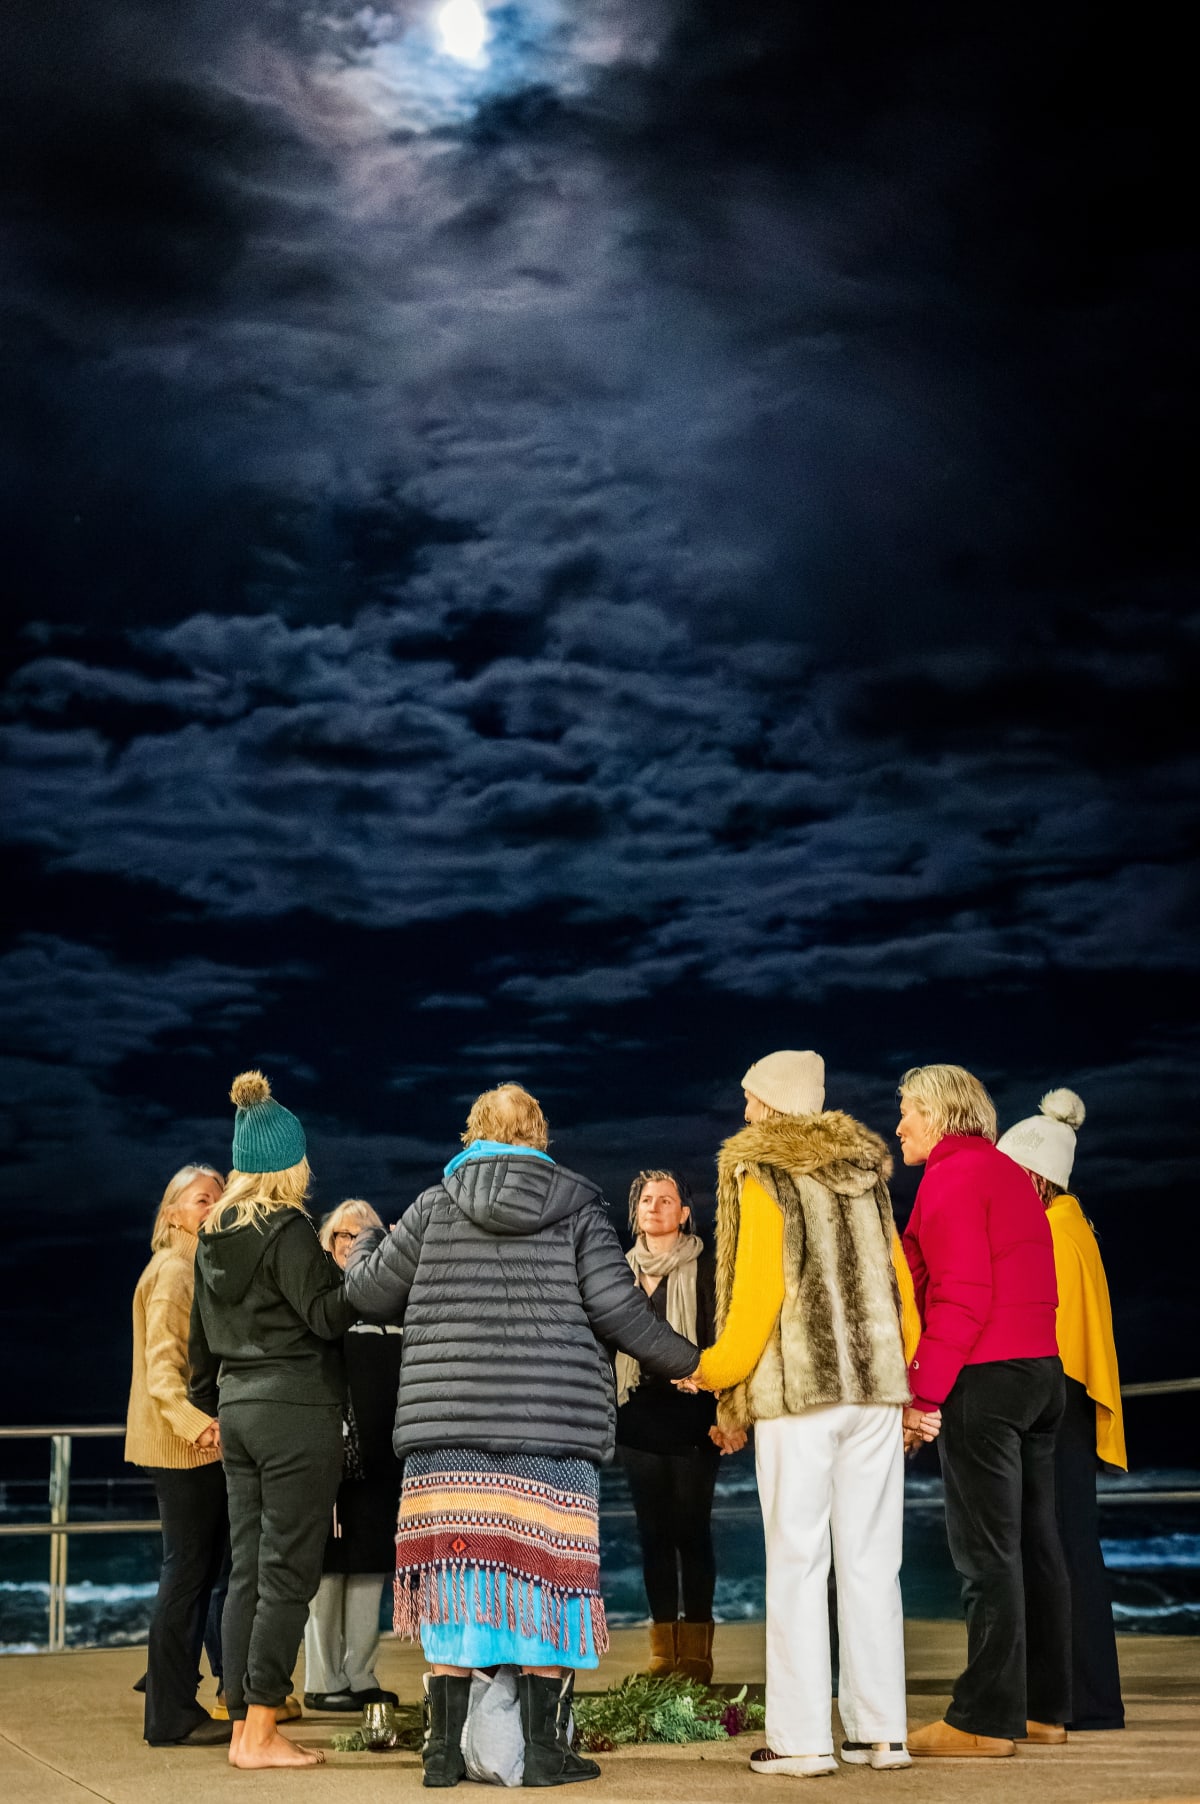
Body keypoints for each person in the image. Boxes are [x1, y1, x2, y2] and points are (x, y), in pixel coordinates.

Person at [344, 1082, 699, 1789]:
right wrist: (692, 1364)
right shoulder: (578, 1211)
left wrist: (367, 1241)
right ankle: (544, 1753)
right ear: (539, 1137)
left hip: (448, 1438)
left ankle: (442, 1754)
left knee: (453, 1585)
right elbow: (620, 1312)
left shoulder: (433, 1206)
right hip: (549, 1434)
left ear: (474, 1132)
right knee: (547, 1586)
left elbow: (369, 1292)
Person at [685, 1051, 927, 1778]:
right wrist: (906, 1377)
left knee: (797, 1559)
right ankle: (881, 1735)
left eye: (752, 1099)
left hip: (803, 1393)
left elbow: (757, 1293)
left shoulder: (764, 1174)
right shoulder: (867, 1178)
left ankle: (800, 1743)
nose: (746, 1112)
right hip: (877, 1392)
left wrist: (713, 1370)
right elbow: (900, 1289)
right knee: (872, 1562)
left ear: (773, 1104)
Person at [898, 1063, 1072, 1758]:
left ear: (940, 1115)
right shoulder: (1005, 1174)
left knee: (986, 1556)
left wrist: (923, 1395)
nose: (901, 1124)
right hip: (1040, 1373)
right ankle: (1042, 1709)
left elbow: (962, 1297)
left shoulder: (953, 1177)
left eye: (909, 1110)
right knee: (1033, 1544)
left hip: (987, 1377)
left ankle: (983, 1720)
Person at [188, 1071, 356, 1771]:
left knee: (250, 1571)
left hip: (239, 1407)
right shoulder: (286, 1228)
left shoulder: (213, 1235)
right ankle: (260, 1731)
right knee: (289, 1572)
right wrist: (359, 1278)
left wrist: (215, 1404)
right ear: (290, 1162)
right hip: (294, 1410)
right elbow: (325, 1316)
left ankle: (242, 1726)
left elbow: (200, 1344)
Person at [997, 1088, 1126, 1731]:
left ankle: (1085, 1700)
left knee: (1063, 1547)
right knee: (1065, 1544)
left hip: (1056, 1403)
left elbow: (1047, 1333)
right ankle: (1077, 1697)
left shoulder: (1054, 1234)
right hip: (1062, 1399)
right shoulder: (1069, 1224)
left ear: (1030, 1178)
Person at [125, 1163, 231, 1748]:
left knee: (194, 1572)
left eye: (218, 1197)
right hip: (182, 1446)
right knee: (187, 1572)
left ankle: (173, 1694)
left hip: (183, 1443)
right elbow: (163, 1373)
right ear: (171, 1215)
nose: (212, 1206)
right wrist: (201, 1427)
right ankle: (169, 1713)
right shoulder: (174, 1268)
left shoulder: (195, 1264)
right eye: (199, 1199)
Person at [615, 1170, 720, 1683]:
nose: (654, 1207)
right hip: (636, 1415)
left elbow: (724, 1341)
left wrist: (727, 1408)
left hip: (696, 1415)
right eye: (646, 1200)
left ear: (684, 1213)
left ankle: (697, 1655)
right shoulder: (617, 1272)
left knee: (692, 1530)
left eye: (666, 1201)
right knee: (651, 1533)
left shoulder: (709, 1268)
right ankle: (662, 1653)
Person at [302, 1198, 404, 1714]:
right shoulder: (320, 1299)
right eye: (343, 1235)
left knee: (371, 1565)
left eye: (365, 1234)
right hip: (333, 1456)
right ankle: (323, 1679)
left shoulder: (394, 1302)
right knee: (327, 1567)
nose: (353, 1242)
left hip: (386, 1458)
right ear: (327, 1243)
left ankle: (361, 1675)